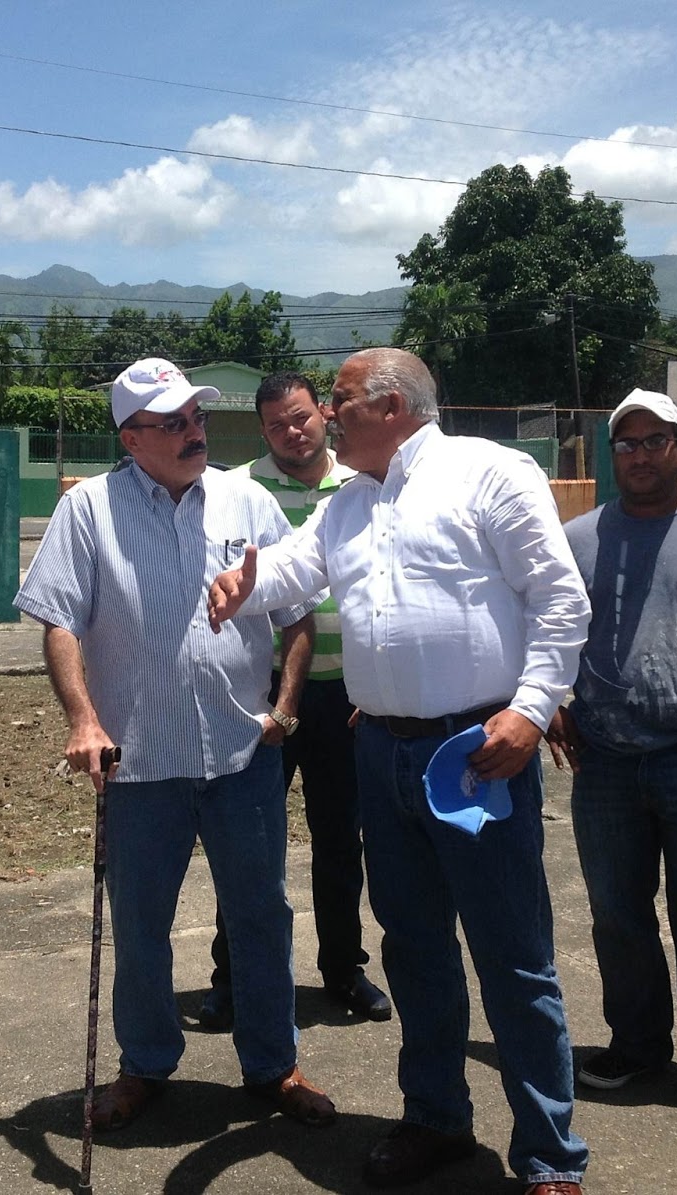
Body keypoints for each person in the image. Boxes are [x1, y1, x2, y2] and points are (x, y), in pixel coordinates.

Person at [209, 347, 591, 1195]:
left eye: (338, 401)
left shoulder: (489, 473)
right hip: (379, 748)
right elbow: (296, 569)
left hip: (477, 752)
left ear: (388, 404)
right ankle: (435, 1118)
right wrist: (244, 578)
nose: (327, 417)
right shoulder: (347, 503)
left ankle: (549, 1153)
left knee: (512, 952)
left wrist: (530, 710)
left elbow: (561, 600)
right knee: (413, 946)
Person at [13, 357, 336, 1133]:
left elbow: (296, 613)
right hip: (139, 762)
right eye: (174, 422)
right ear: (131, 436)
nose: (194, 431)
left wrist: (285, 710)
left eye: (196, 416)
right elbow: (58, 620)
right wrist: (83, 719)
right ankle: (145, 1064)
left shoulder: (246, 497)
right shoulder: (88, 509)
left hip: (241, 754)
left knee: (261, 914)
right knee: (141, 922)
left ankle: (274, 1064)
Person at [549, 388, 677, 1125]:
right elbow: (543, 630)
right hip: (604, 758)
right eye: (626, 444)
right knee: (617, 913)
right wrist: (547, 701)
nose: (639, 455)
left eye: (653, 441)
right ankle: (637, 1045)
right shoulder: (578, 540)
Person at [197, 370, 390, 1032]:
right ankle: (235, 977)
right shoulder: (239, 491)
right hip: (263, 697)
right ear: (262, 430)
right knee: (247, 847)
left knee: (341, 839)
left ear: (326, 414)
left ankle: (344, 970)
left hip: (347, 697)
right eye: (278, 423)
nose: (293, 430)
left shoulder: (363, 485)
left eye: (302, 416)